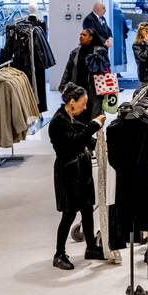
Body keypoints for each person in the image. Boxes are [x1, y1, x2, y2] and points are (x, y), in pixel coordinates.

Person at [49, 84, 106, 270]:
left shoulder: (70, 118)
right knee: (69, 213)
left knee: (87, 208)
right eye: (83, 103)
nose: (85, 107)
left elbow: (85, 138)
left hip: (81, 170)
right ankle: (59, 254)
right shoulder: (58, 122)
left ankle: (90, 247)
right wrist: (94, 125)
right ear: (72, 102)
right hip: (68, 174)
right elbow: (74, 142)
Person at [59, 29, 106, 122]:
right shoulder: (75, 52)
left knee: (94, 114)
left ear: (91, 37)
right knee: (78, 113)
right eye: (80, 34)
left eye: (84, 35)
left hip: (93, 89)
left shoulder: (99, 51)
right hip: (78, 88)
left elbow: (105, 69)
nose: (81, 36)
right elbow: (68, 69)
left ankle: (92, 134)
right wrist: (63, 84)